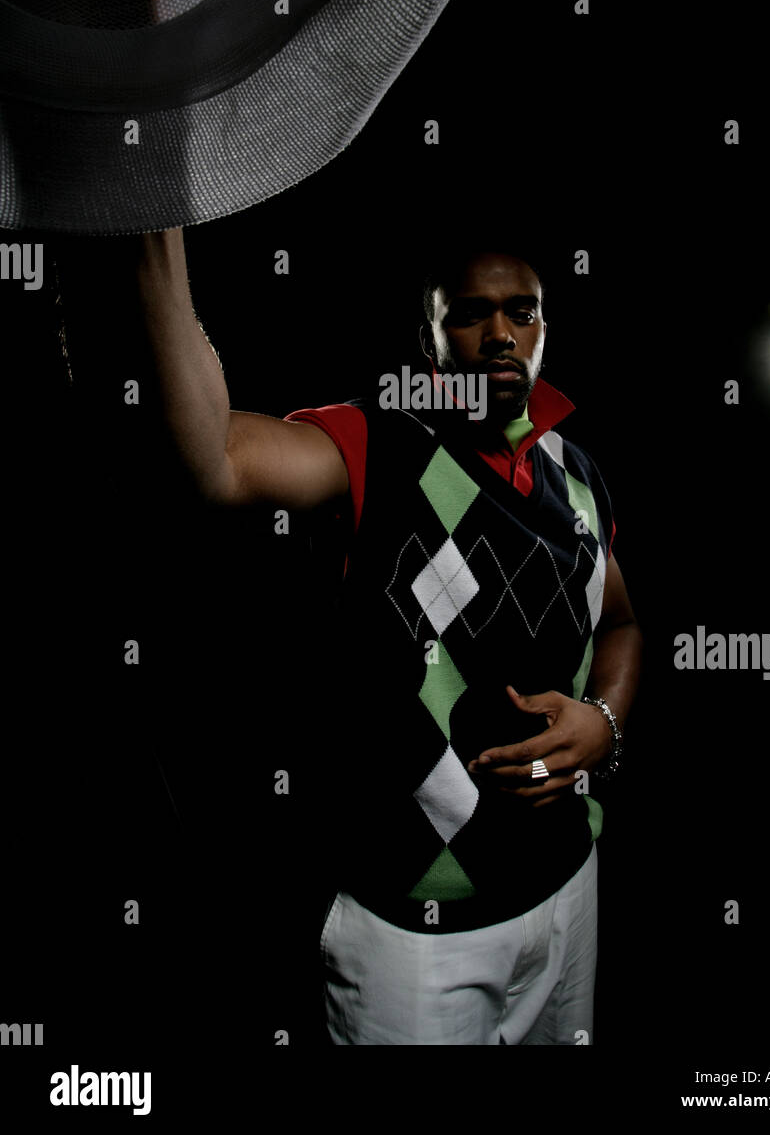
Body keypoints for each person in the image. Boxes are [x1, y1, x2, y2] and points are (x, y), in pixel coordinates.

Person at [132, 233, 643, 1045]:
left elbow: (619, 622)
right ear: (430, 341)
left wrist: (605, 723)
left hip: (568, 881)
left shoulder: (575, 471)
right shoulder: (380, 443)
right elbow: (215, 459)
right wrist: (155, 240)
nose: (502, 334)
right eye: (470, 316)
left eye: (523, 313)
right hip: (416, 930)